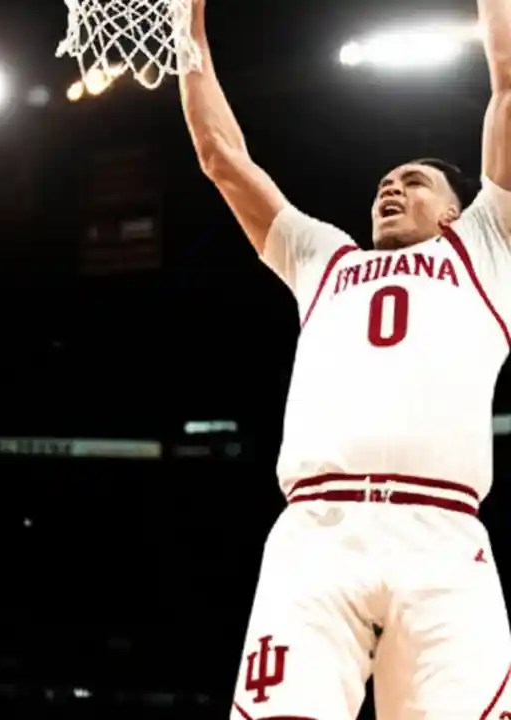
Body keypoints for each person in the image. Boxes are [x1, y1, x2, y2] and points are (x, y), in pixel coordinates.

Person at [179, 0, 511, 717]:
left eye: (413, 181)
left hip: (443, 537)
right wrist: (189, 35)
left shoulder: (485, 248)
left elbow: (508, 80)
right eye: (384, 182)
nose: (391, 186)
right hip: (317, 535)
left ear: (454, 212)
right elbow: (221, 158)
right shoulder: (323, 257)